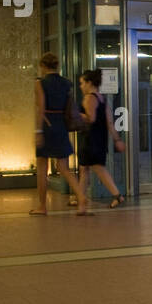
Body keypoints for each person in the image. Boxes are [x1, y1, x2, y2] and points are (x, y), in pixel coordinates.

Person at [32, 53, 89, 216]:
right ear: (57, 66)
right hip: (61, 124)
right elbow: (70, 107)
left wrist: (38, 131)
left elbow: (41, 109)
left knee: (42, 167)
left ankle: (42, 206)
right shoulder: (67, 83)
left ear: (43, 66)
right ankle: (80, 196)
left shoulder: (40, 84)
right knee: (63, 167)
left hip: (47, 124)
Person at [77, 69, 125, 208]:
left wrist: (76, 114)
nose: (81, 86)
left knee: (96, 168)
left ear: (89, 83)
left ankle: (117, 195)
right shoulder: (102, 99)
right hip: (100, 138)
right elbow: (109, 122)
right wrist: (117, 139)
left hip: (90, 138)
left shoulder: (89, 98)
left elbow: (90, 118)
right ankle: (80, 199)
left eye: (82, 83)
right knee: (85, 168)